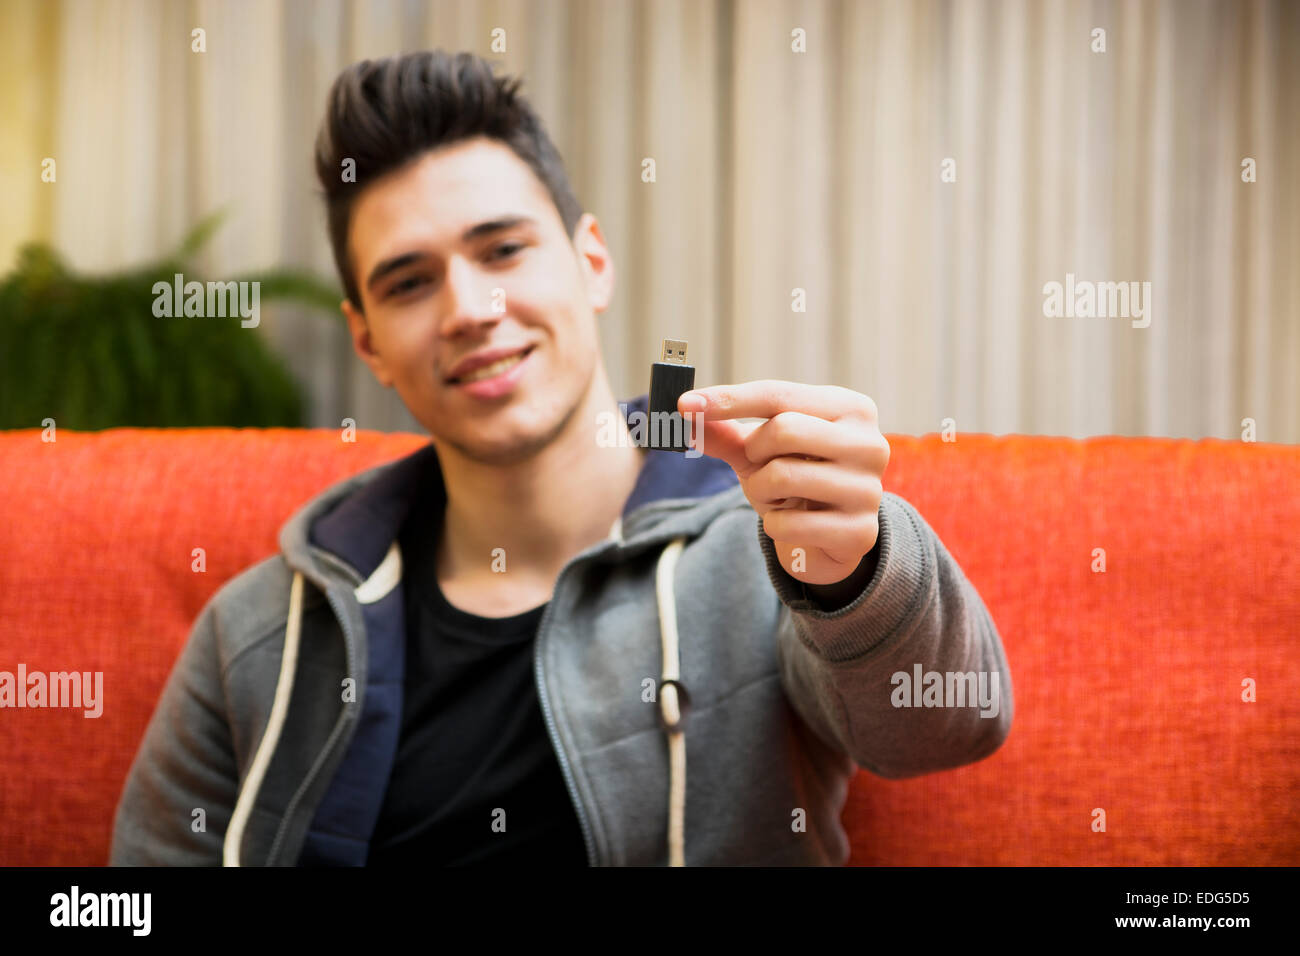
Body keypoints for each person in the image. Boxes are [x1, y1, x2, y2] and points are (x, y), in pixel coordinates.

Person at [110, 49, 1013, 867]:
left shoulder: (763, 551)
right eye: (410, 282)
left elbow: (943, 727)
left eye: (502, 249)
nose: (469, 308)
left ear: (592, 263)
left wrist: (856, 575)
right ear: (369, 343)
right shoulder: (261, 629)